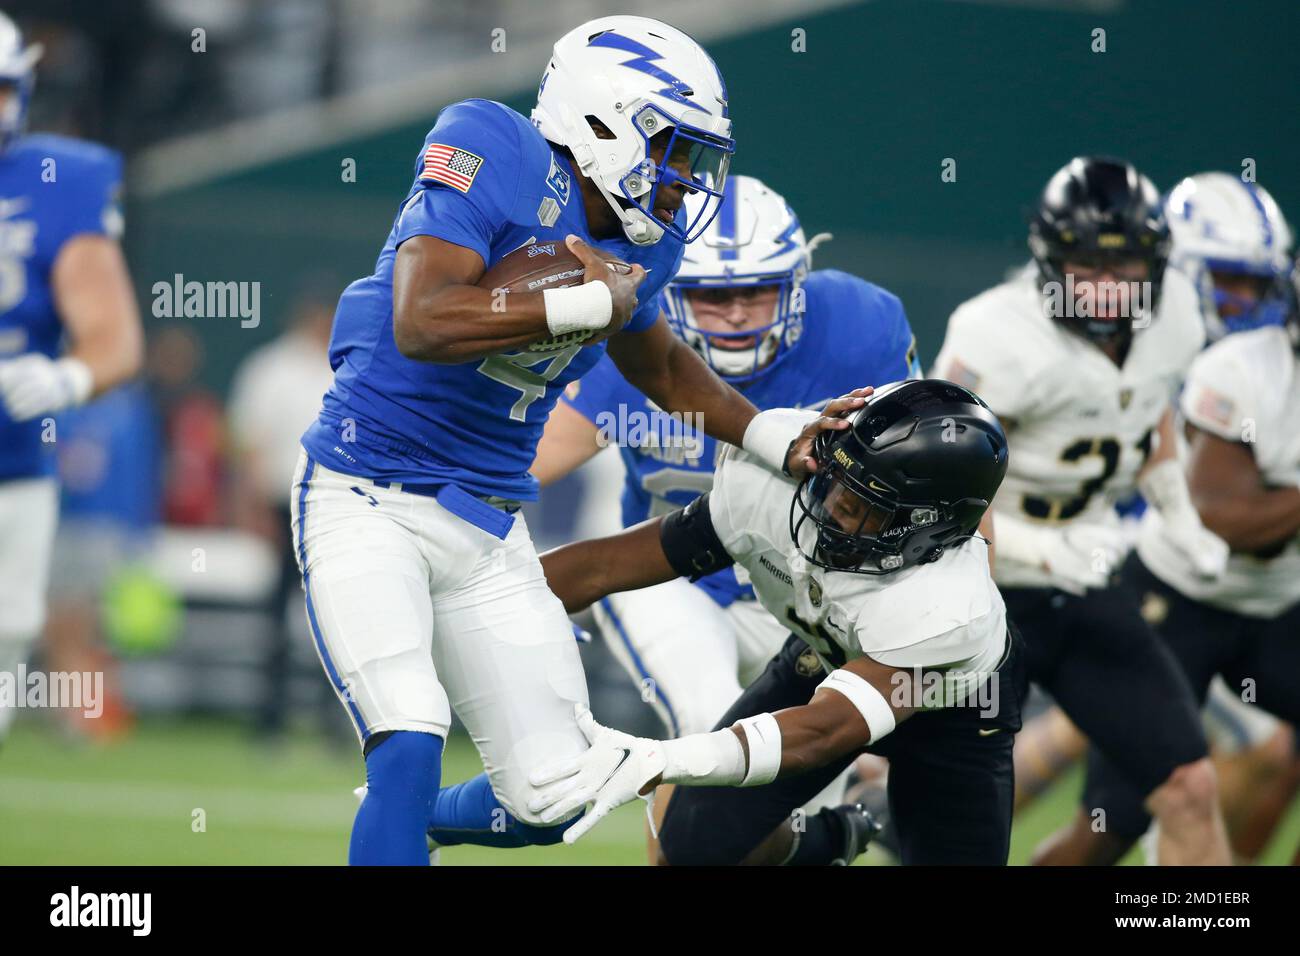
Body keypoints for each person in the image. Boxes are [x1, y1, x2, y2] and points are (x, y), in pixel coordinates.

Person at [293, 16, 846, 864]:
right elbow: (421, 318)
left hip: (486, 525)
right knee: (408, 729)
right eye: (673, 147)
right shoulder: (493, 143)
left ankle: (401, 824)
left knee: (553, 798)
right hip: (367, 491)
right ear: (604, 119)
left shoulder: (644, 245)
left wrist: (775, 435)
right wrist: (576, 304)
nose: (684, 178)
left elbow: (663, 369)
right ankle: (396, 811)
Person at [531, 173, 918, 860]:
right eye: (712, 297)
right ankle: (845, 826)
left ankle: (837, 830)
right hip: (673, 578)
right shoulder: (630, 343)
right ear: (671, 296)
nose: (736, 313)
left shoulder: (862, 326)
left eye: (755, 292)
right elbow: (526, 463)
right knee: (703, 735)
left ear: (797, 284)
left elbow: (937, 469)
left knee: (774, 818)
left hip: (815, 593)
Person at [531, 380, 1025, 865]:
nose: (829, 510)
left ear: (931, 525)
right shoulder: (782, 467)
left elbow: (822, 733)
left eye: (864, 509)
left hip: (955, 713)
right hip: (827, 656)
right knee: (690, 849)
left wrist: (661, 759)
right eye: (832, 482)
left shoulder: (949, 609)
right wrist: (480, 603)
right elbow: (604, 566)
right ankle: (830, 837)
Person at [932, 156, 1231, 865]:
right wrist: (1040, 550)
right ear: (1046, 263)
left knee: (1189, 785)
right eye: (1085, 265)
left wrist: (1178, 513)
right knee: (962, 831)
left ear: (1156, 266)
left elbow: (1147, 411)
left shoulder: (1178, 315)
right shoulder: (996, 335)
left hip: (1088, 583)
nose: (1105, 288)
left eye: (1123, 266)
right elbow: (939, 490)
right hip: (984, 593)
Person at [0, 13, 143, 745]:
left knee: (8, 632)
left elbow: (115, 338)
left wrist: (66, 378)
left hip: (12, 461)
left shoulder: (62, 177)